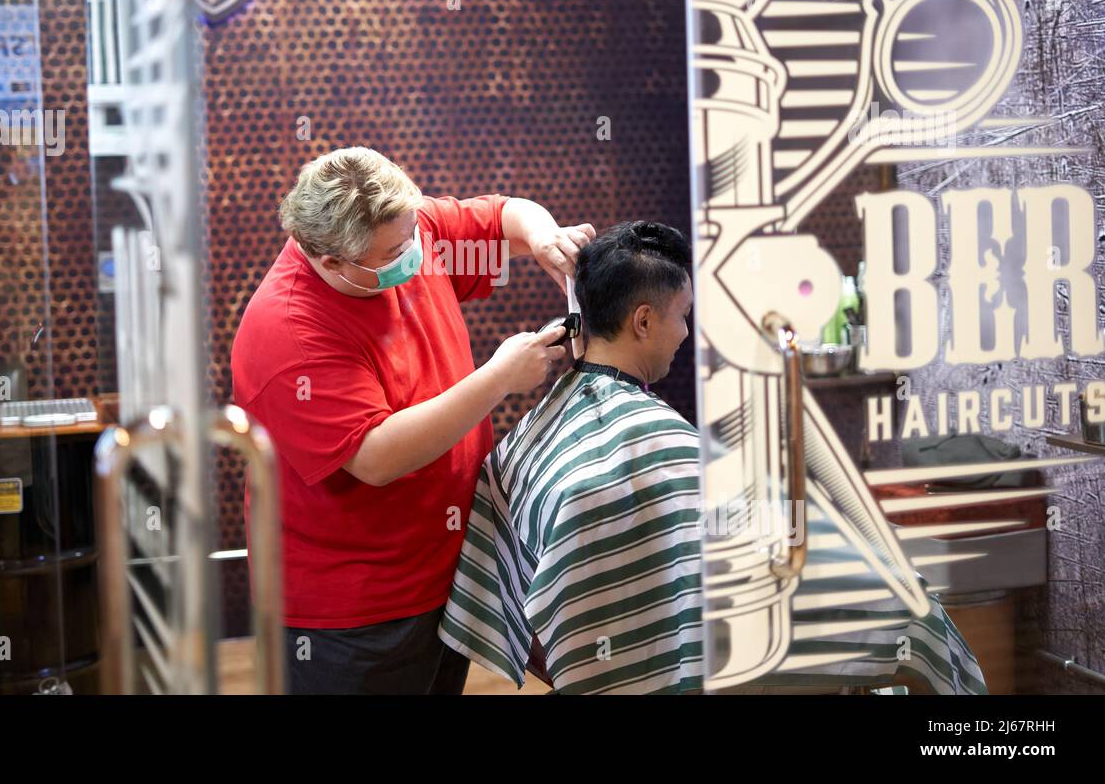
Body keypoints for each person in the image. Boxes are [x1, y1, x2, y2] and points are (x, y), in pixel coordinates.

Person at [438, 220, 987, 694]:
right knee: (915, 617)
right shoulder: (658, 450)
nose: (685, 332)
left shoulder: (540, 426)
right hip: (699, 656)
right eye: (682, 315)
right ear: (644, 322)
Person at [231, 146, 595, 694]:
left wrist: (543, 237)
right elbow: (377, 457)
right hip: (352, 616)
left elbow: (502, 218)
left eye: (414, 237)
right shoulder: (288, 333)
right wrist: (498, 378)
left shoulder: (404, 229)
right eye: (396, 251)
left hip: (443, 575)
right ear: (330, 260)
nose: (416, 255)